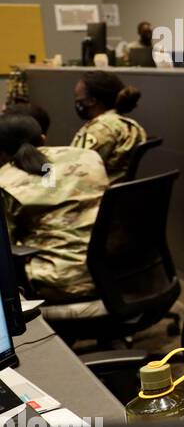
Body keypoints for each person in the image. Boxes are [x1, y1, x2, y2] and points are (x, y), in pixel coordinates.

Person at [0, 113, 107, 301]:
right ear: (43, 138)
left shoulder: (5, 181)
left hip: (60, 281)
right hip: (116, 270)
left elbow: (5, 249)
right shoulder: (89, 156)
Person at [71, 71, 146, 183]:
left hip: (92, 196)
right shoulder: (130, 126)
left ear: (92, 101)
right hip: (114, 194)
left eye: (78, 100)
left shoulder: (101, 130)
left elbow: (74, 171)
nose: (77, 104)